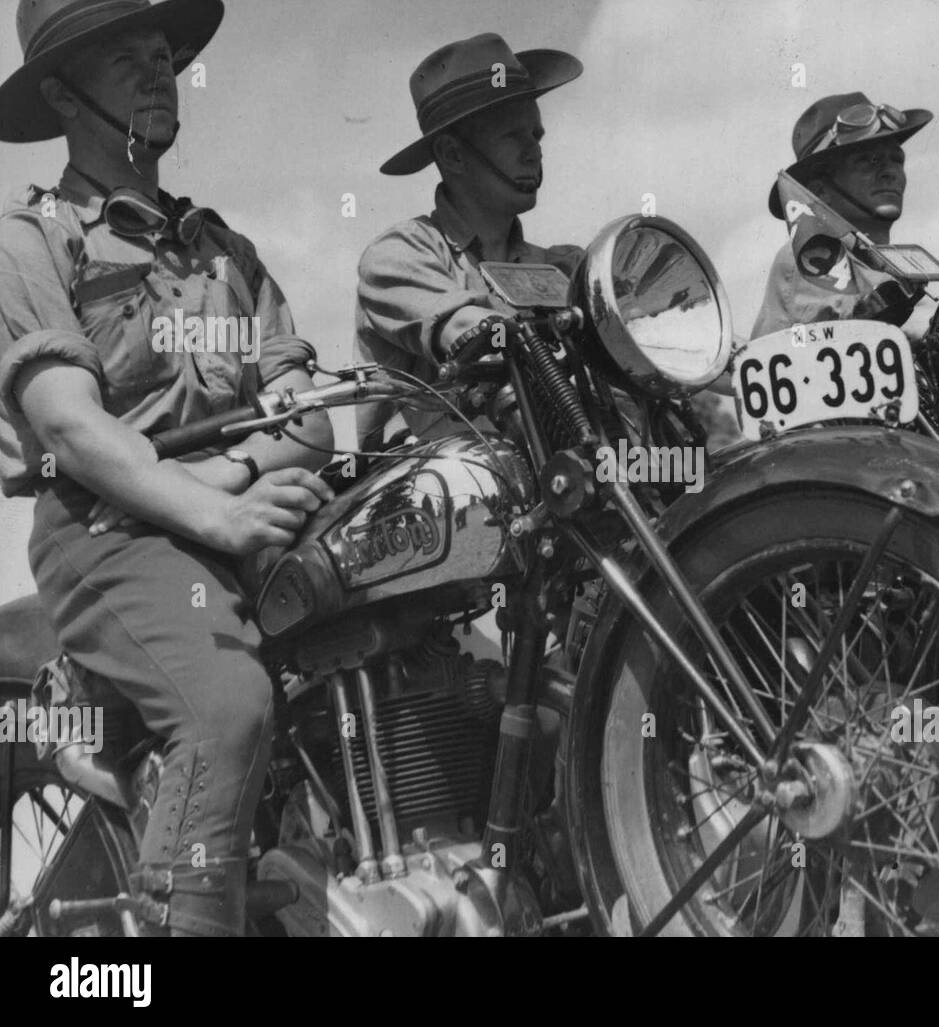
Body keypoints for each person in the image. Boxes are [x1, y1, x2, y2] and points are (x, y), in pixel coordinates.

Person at [0, 0, 333, 935]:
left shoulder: (226, 251)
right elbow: (69, 426)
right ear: (62, 93)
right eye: (126, 60)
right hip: (112, 532)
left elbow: (307, 418)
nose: (160, 73)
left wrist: (240, 474)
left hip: (243, 505)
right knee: (226, 707)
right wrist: (217, 500)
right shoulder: (35, 236)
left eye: (163, 55)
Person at [354, 33, 585, 449]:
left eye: (536, 135)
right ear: (454, 155)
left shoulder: (564, 267)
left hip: (564, 476)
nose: (535, 152)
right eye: (514, 137)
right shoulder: (399, 257)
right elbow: (468, 332)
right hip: (444, 495)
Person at [752, 92, 934, 340]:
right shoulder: (807, 254)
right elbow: (857, 315)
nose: (890, 172)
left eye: (896, 159)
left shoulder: (887, 267)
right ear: (819, 191)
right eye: (868, 161)